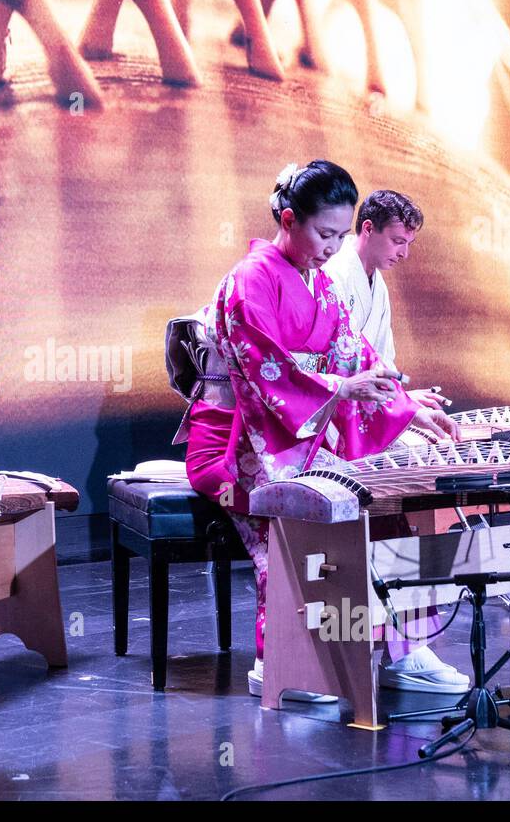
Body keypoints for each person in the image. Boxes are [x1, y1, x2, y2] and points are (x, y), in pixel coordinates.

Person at [182, 160, 460, 701]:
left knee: (383, 517)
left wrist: (404, 406)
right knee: (298, 536)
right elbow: (268, 375)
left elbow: (354, 351)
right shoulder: (248, 282)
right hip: (239, 444)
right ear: (287, 218)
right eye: (324, 233)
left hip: (296, 435)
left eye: (338, 235)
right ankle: (281, 658)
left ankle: (401, 647)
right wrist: (340, 389)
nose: (333, 248)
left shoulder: (315, 280)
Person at [323, 189, 470, 693]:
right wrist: (399, 408)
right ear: (365, 229)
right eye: (396, 240)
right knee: (395, 498)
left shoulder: (374, 285)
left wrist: (407, 399)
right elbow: (338, 369)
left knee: (424, 472)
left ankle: (407, 641)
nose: (403, 252)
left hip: (357, 416)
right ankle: (396, 645)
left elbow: (378, 367)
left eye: (408, 243)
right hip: (323, 425)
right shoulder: (332, 277)